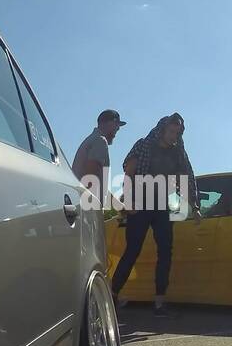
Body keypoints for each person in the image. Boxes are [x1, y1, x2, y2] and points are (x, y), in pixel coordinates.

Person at [112, 114, 200, 318]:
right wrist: (128, 200)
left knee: (165, 251)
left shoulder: (178, 152)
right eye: (171, 132)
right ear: (162, 129)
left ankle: (159, 302)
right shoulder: (144, 145)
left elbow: (187, 176)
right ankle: (113, 294)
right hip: (140, 203)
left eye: (177, 133)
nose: (174, 136)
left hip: (161, 205)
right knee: (132, 250)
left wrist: (194, 205)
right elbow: (129, 172)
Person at [71, 109, 127, 208]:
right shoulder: (100, 141)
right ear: (110, 123)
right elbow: (91, 180)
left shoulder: (92, 140)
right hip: (87, 208)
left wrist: (120, 206)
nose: (118, 129)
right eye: (117, 125)